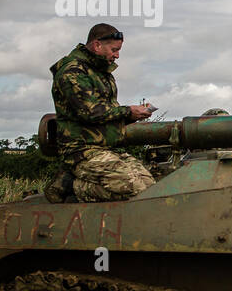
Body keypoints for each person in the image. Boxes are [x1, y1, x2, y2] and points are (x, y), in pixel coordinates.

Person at [44, 23, 155, 202]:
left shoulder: (101, 73)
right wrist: (127, 111)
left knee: (150, 189)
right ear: (97, 45)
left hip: (107, 148)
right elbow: (89, 112)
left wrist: (134, 115)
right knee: (134, 188)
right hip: (82, 150)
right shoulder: (72, 72)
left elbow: (107, 115)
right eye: (114, 50)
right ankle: (71, 186)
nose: (117, 55)